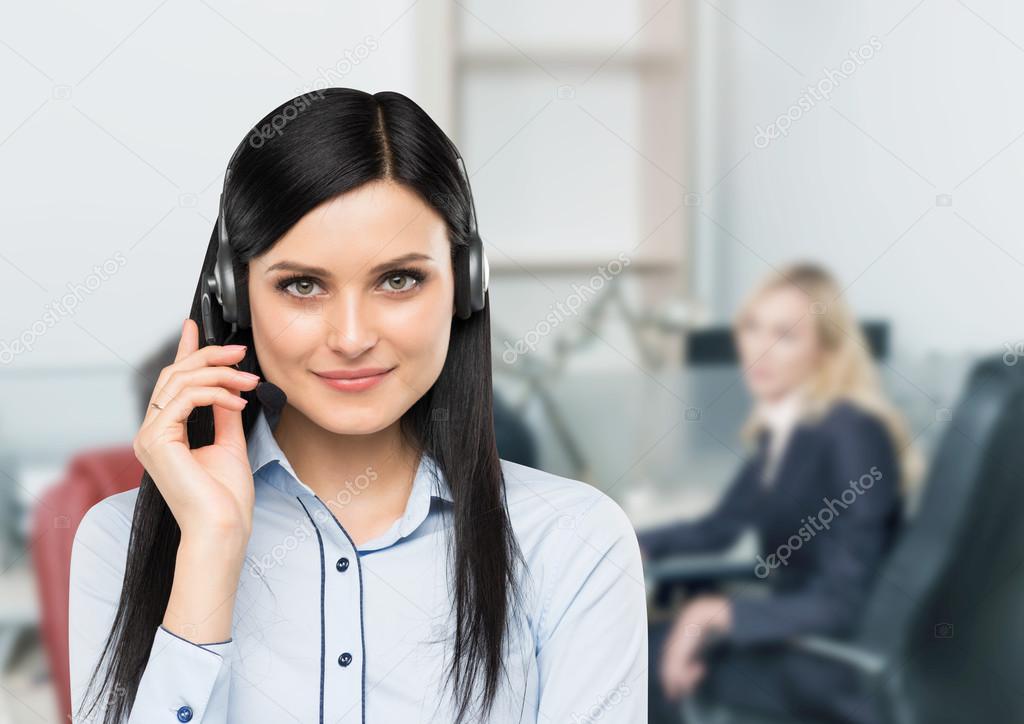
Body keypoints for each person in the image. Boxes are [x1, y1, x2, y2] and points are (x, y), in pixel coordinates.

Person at [69, 88, 647, 724]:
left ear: (465, 284)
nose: (350, 337)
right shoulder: (119, 544)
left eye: (398, 280)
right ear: (235, 297)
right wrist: (209, 550)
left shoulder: (573, 542)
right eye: (302, 285)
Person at [641, 263, 922, 724]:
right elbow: (719, 528)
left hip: (832, 659)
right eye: (753, 328)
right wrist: (632, 542)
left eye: (786, 335)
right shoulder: (787, 430)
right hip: (798, 632)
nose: (760, 349)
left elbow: (844, 600)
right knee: (640, 646)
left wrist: (711, 616)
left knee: (640, 660)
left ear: (827, 351)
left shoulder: (852, 433)